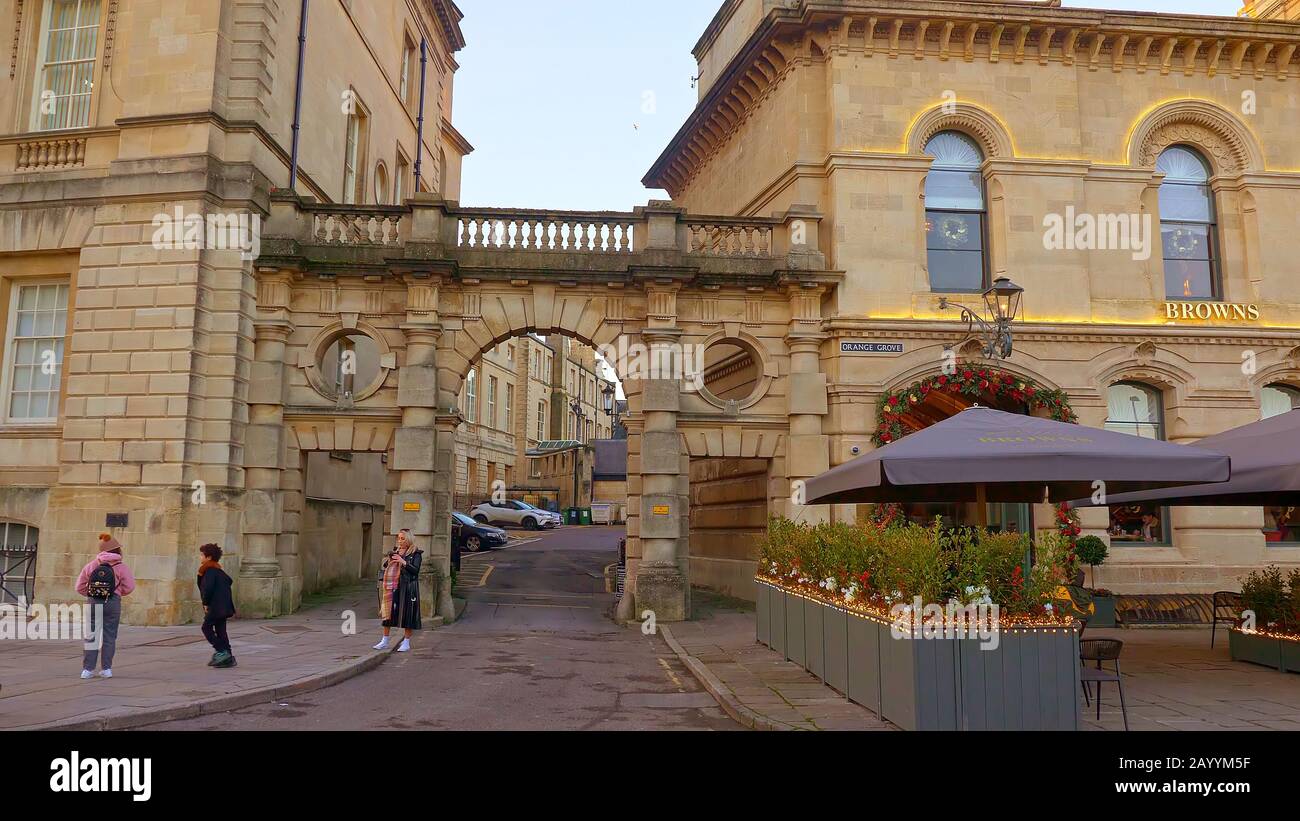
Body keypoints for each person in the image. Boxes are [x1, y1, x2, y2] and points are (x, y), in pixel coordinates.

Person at [75, 533, 136, 679]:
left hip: (94, 601)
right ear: (117, 551)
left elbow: (79, 587)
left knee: (91, 636)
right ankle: (106, 669)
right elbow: (130, 587)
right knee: (109, 636)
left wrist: (91, 594)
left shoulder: (92, 565)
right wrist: (118, 592)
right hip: (113, 602)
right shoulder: (121, 567)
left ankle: (88, 670)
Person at [374, 529, 422, 652]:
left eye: (402, 538)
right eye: (398, 538)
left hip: (408, 586)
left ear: (409, 539)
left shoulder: (416, 553)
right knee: (388, 613)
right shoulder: (396, 551)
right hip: (394, 586)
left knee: (408, 614)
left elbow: (415, 570)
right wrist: (390, 560)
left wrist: (403, 562)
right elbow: (386, 566)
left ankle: (406, 642)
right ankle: (384, 640)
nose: (399, 541)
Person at [197, 543, 237, 668]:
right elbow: (228, 581)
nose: (200, 557)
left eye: (202, 555)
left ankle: (221, 651)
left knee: (206, 628)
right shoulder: (219, 571)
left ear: (208, 557)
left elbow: (207, 589)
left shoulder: (209, 571)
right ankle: (228, 657)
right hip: (224, 606)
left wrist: (206, 603)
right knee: (221, 631)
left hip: (216, 606)